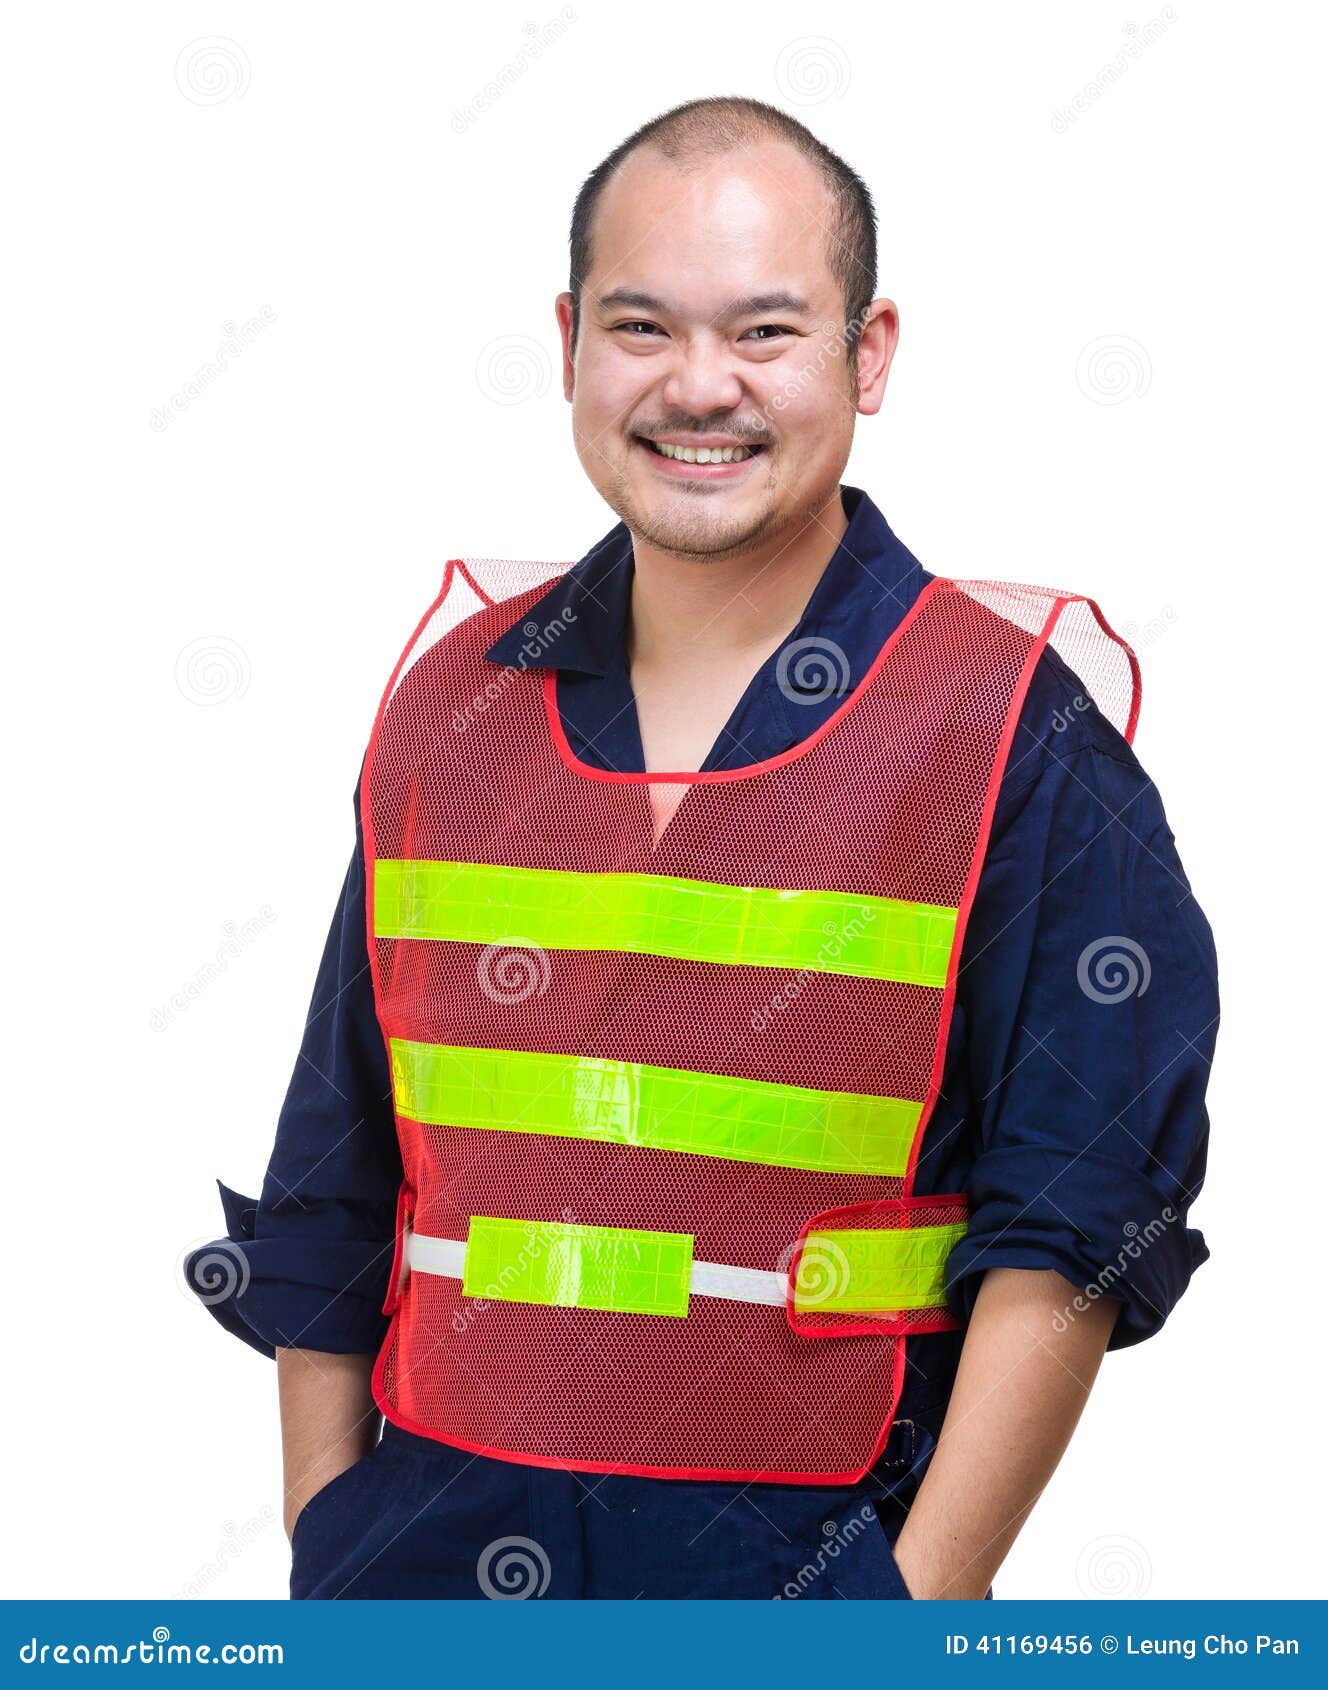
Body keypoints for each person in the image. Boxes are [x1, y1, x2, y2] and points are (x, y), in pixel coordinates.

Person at [185, 96, 1218, 1601]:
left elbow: (1076, 1220)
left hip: (802, 1577)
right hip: (419, 1568)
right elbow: (340, 1169)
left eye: (766, 332)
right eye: (643, 326)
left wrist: (911, 1614)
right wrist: (327, 1525)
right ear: (567, 345)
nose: (698, 386)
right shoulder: (450, 707)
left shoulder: (1013, 734)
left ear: (869, 355)